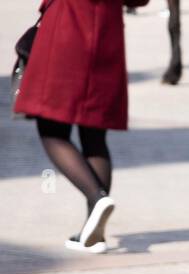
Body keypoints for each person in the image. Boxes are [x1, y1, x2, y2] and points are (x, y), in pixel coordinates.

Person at [13, 0, 133, 252]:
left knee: (52, 129)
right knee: (95, 133)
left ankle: (96, 198)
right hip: (106, 33)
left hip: (68, 28)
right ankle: (94, 233)